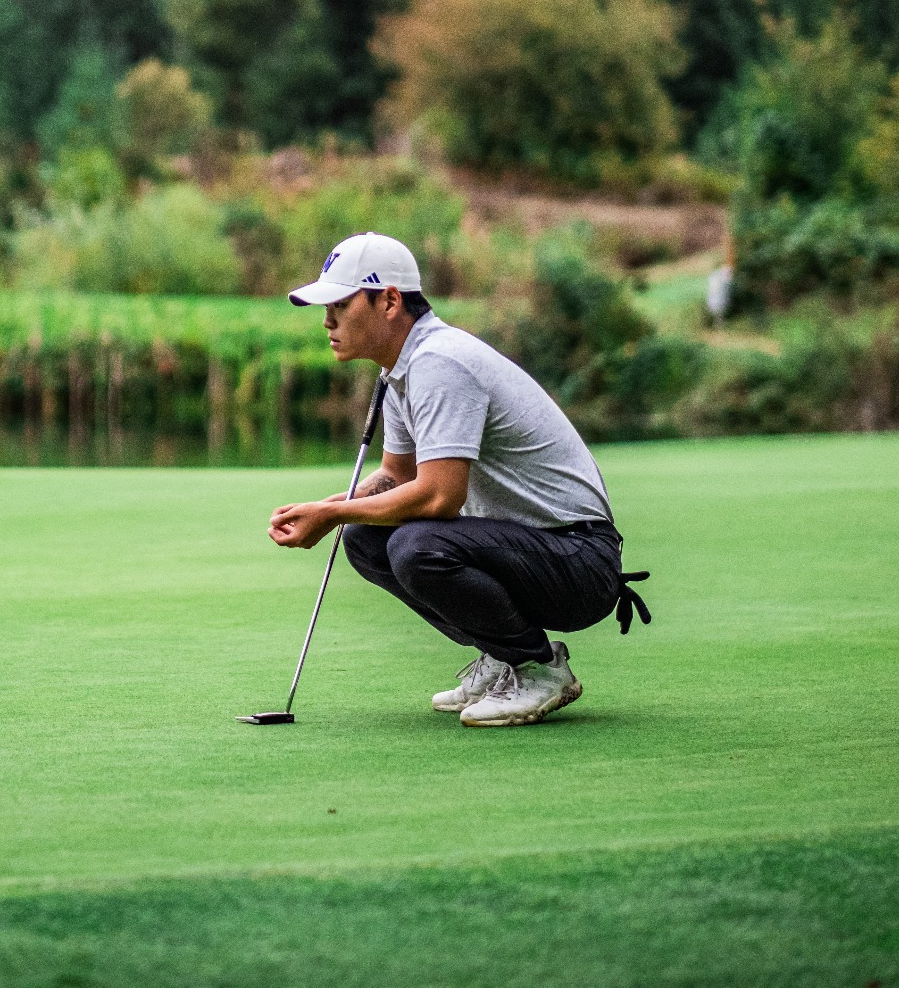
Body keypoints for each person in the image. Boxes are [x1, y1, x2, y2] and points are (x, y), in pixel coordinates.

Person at [266, 232, 650, 727]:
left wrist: (330, 513)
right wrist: (323, 508)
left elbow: (440, 497)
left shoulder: (439, 363)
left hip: (579, 561)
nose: (327, 320)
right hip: (529, 551)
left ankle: (536, 667)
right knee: (364, 538)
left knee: (416, 546)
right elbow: (396, 478)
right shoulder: (404, 369)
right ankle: (500, 654)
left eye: (341, 304)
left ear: (388, 301)